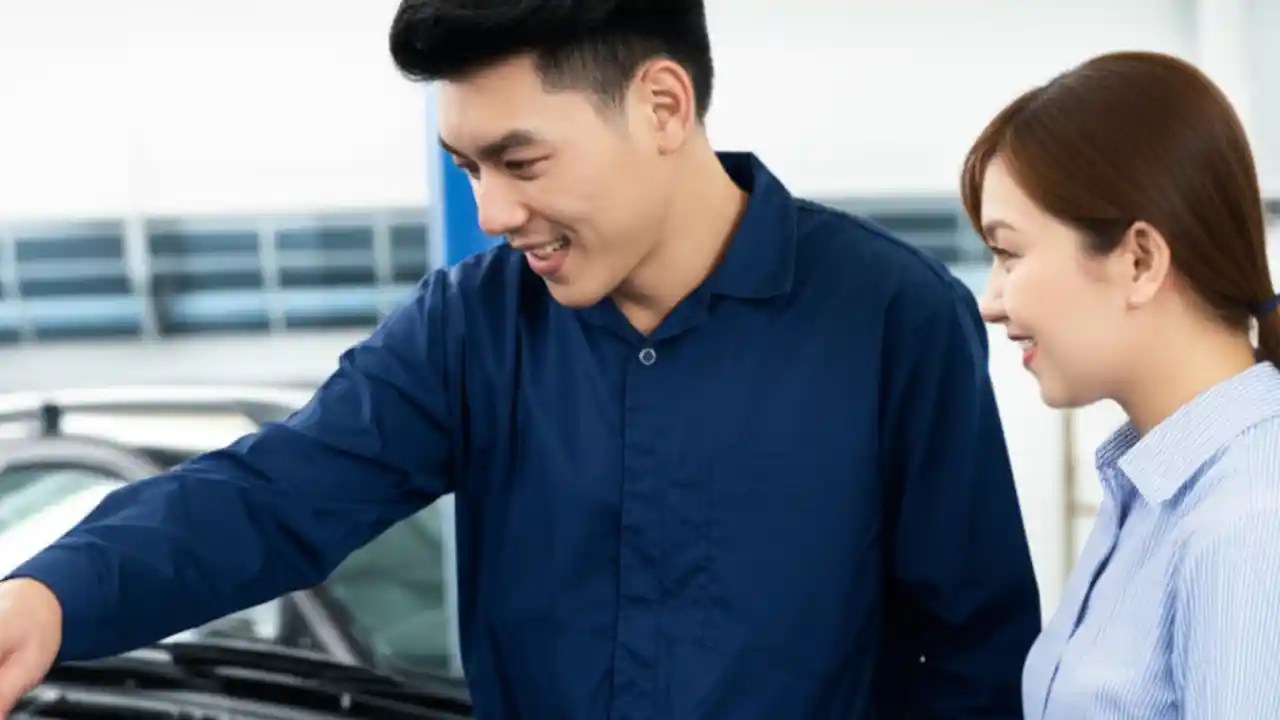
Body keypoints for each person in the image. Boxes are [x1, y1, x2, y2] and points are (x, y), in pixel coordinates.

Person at [0, 1, 1041, 717]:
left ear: (662, 105)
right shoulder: (470, 325)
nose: (492, 213)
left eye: (520, 162)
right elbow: (273, 493)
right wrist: (50, 597)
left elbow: (971, 656)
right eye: (466, 167)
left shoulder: (890, 321)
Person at [965, 50, 1280, 719]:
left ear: (1139, 260)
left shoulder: (1251, 517)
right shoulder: (1150, 489)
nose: (990, 302)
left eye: (1010, 254)